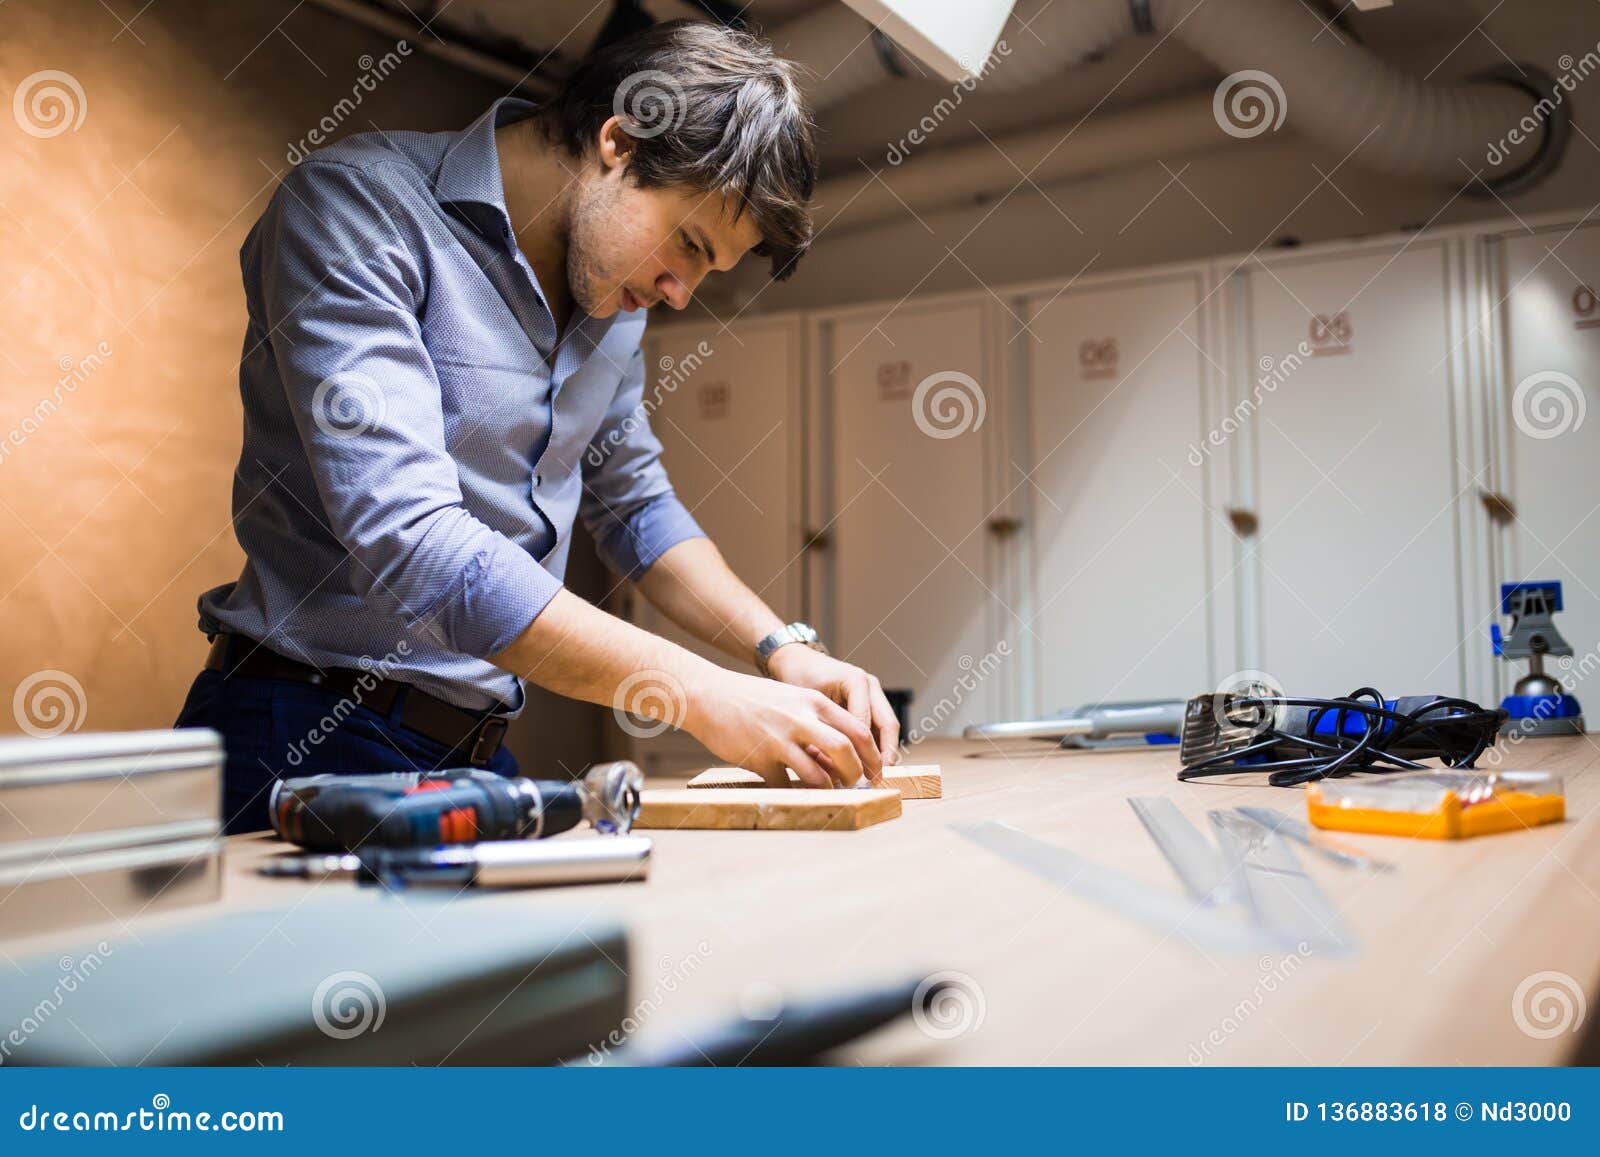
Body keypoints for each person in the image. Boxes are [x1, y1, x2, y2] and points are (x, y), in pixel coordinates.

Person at [174, 20, 900, 833]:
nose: (680, 293)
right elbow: (416, 541)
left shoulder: (611, 301)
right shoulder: (359, 207)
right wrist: (702, 693)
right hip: (303, 734)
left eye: (708, 268)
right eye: (688, 244)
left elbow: (637, 511)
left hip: (472, 754)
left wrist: (782, 649)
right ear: (620, 141)